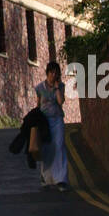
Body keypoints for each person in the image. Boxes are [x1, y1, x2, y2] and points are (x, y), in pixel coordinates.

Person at [36, 61, 69, 192]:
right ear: (47, 72)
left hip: (57, 120)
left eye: (56, 72)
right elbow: (38, 105)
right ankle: (45, 177)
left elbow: (60, 102)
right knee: (47, 149)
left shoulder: (60, 86)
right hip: (44, 121)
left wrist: (56, 88)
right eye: (51, 72)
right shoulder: (39, 88)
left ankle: (61, 179)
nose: (53, 74)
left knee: (59, 146)